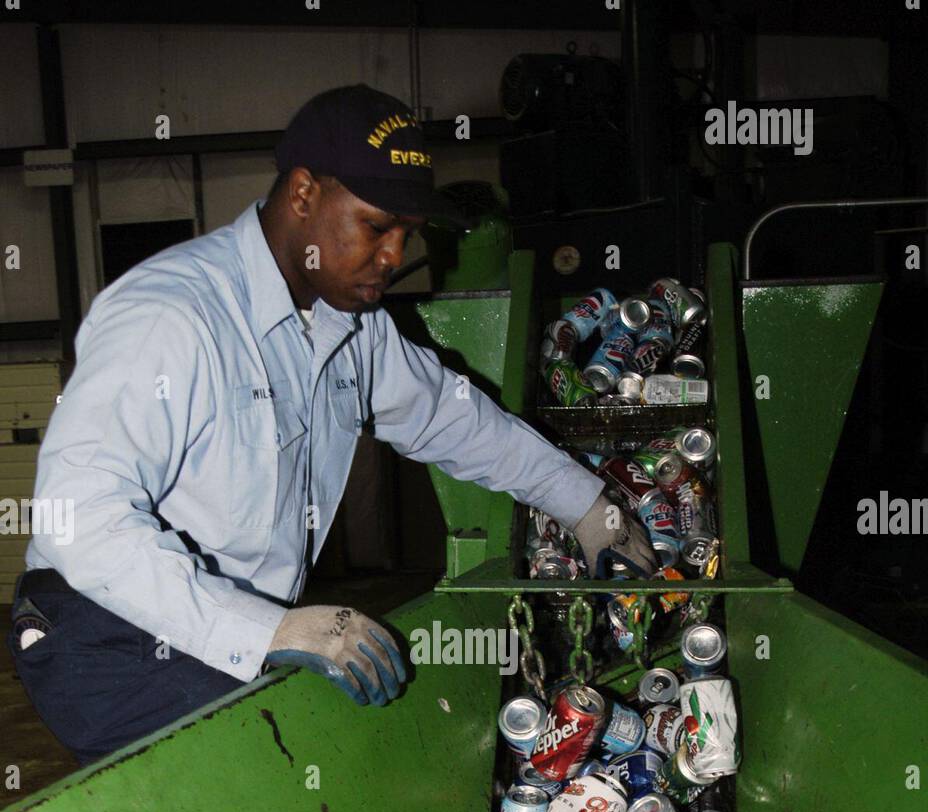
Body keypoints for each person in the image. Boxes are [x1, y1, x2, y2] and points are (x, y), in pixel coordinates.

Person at [9, 84, 653, 767]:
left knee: (349, 747)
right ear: (304, 195)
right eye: (376, 226)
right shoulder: (173, 317)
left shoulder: (351, 327)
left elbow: (454, 422)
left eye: (406, 233)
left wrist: (587, 507)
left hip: (224, 625)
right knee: (273, 777)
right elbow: (76, 520)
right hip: (102, 630)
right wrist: (267, 628)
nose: (393, 255)